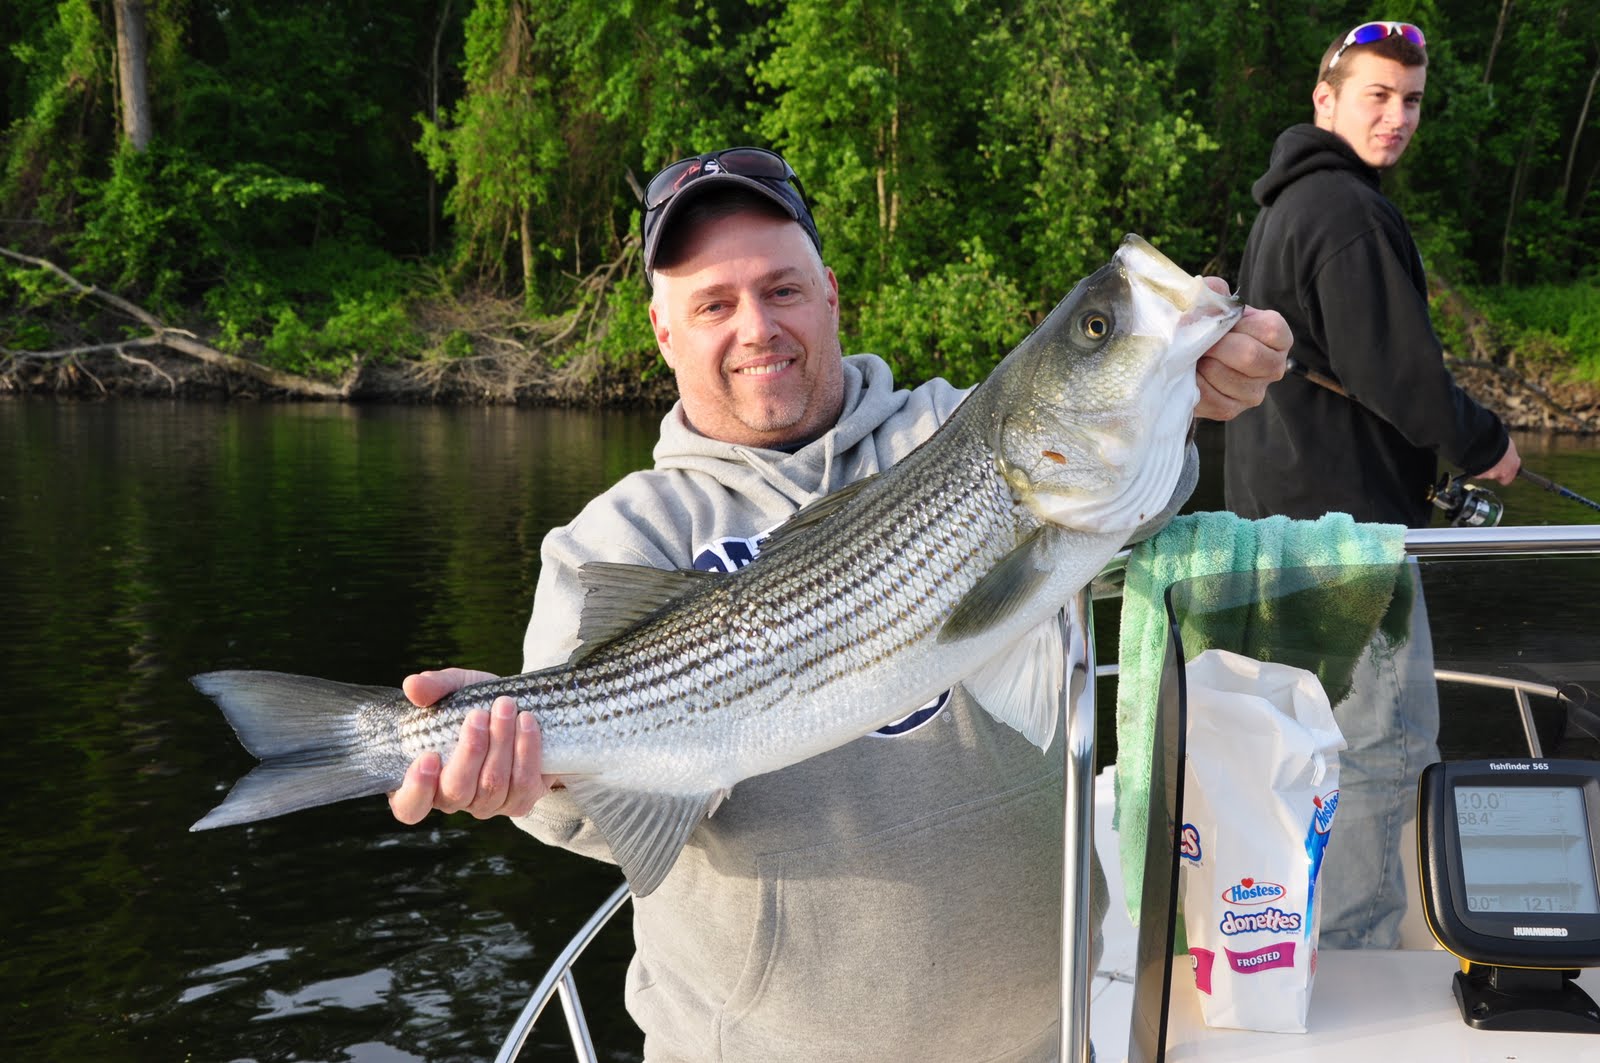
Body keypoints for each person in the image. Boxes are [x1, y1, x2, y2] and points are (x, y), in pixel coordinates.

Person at [389, 146, 1290, 1061]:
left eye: (781, 289)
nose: (756, 327)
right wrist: (526, 779)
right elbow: (597, 821)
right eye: (713, 304)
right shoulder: (611, 541)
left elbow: (1128, 500)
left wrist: (1194, 390)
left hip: (1048, 1040)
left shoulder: (957, 426)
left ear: (829, 294)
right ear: (663, 332)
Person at [1222, 23, 1519, 949]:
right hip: (1348, 543)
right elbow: (1403, 376)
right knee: (1383, 752)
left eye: (1412, 100)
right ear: (1327, 101)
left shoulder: (1287, 207)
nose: (1398, 117)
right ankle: (1354, 960)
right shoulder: (1347, 213)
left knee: (1300, 757)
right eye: (1378, 96)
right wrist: (1487, 445)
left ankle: (1289, 948)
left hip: (1277, 535)